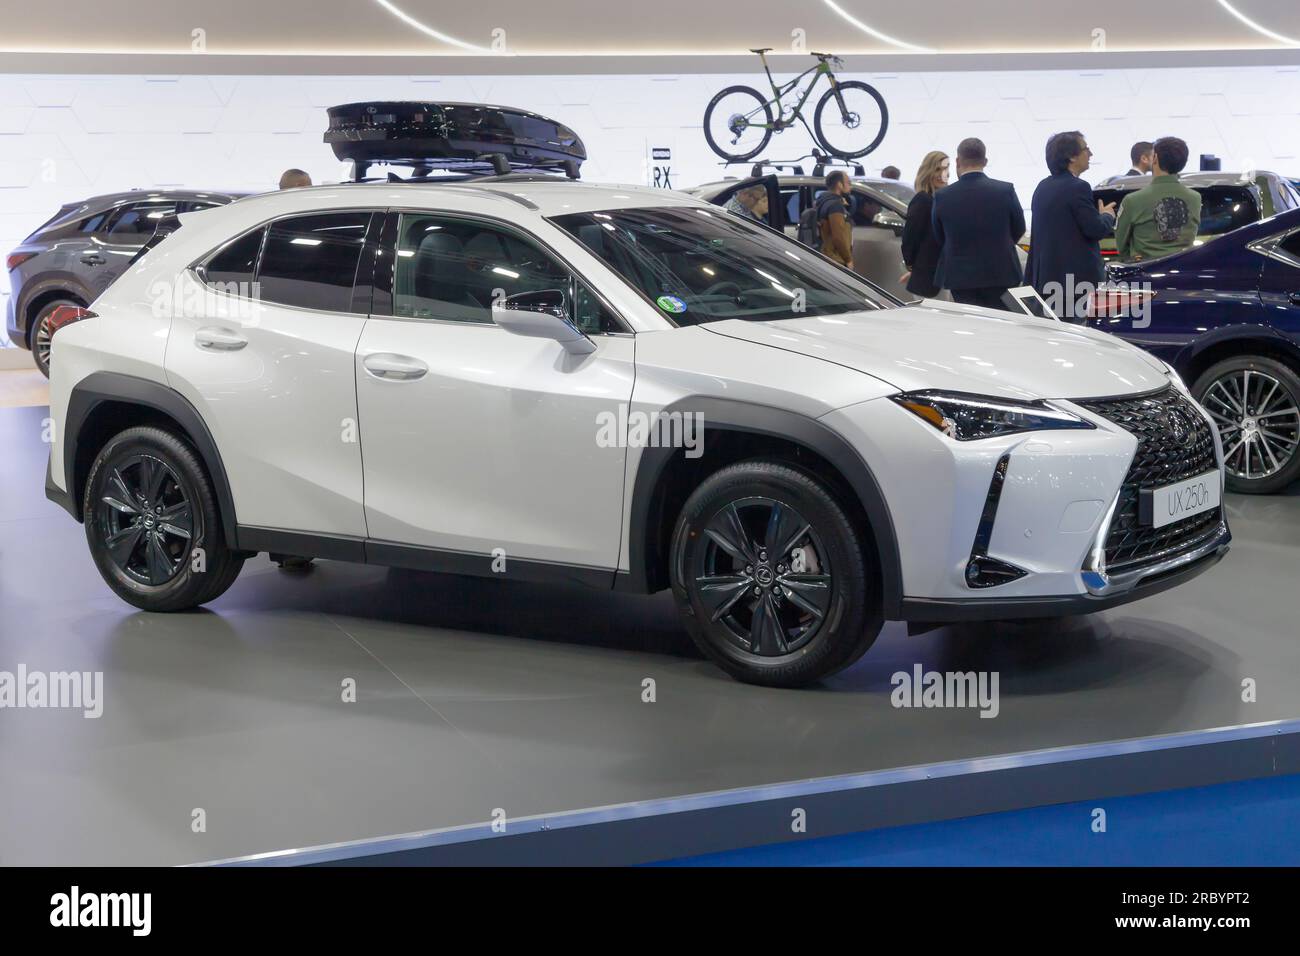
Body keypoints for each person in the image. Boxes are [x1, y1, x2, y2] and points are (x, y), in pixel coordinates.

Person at [1025, 131, 1116, 320]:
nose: (1090, 154)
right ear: (1072, 156)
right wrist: (1107, 215)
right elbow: (1095, 229)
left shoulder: (1042, 187)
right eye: (1086, 149)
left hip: (1047, 281)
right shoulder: (1078, 187)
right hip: (1075, 285)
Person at [931, 137, 1026, 309]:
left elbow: (939, 235)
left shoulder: (943, 196)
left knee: (970, 326)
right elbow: (1019, 227)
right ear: (985, 161)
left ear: (958, 161)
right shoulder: (1005, 190)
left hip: (960, 276)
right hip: (1001, 272)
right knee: (1001, 323)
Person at [1114, 136, 1202, 262]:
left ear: (1154, 158)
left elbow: (1122, 248)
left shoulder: (1132, 200)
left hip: (1145, 273)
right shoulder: (1195, 198)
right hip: (1183, 272)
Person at [899, 151, 949, 299]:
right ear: (928, 171)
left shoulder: (945, 200)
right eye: (937, 169)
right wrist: (914, 266)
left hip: (944, 276)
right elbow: (911, 237)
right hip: (929, 279)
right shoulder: (923, 200)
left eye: (945, 169)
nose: (942, 174)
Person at [816, 170, 855, 269]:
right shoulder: (835, 205)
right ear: (839, 185)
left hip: (827, 257)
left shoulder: (823, 201)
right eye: (848, 183)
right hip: (836, 260)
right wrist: (848, 260)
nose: (851, 186)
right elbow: (838, 237)